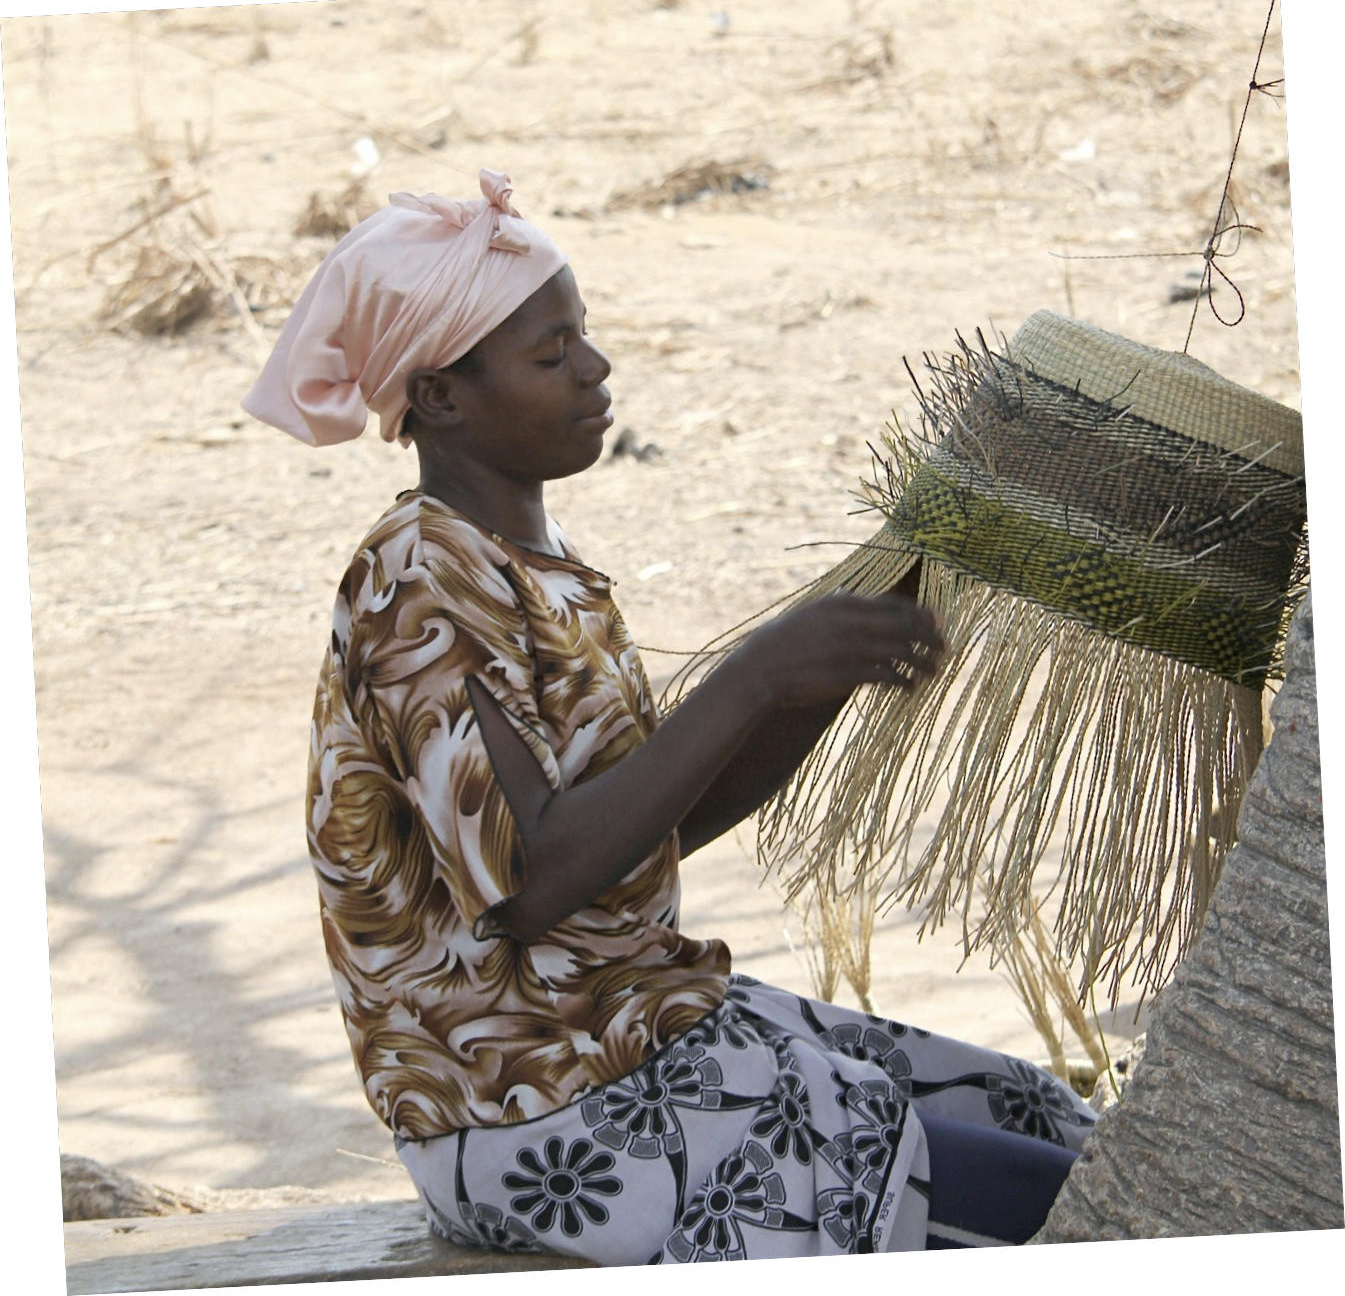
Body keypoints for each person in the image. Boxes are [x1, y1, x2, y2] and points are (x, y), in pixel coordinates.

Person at [243, 169, 1096, 1265]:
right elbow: (535, 882)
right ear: (442, 399)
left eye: (584, 335)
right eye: (552, 354)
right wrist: (755, 676)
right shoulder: (417, 576)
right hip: (531, 1108)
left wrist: (828, 669)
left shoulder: (532, 567)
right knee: (1038, 1206)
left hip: (626, 1033)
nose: (596, 368)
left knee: (1034, 1114)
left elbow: (646, 833)